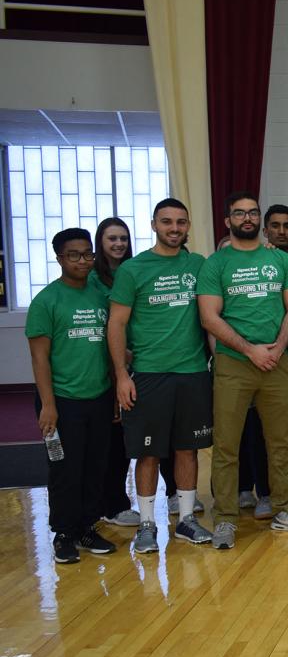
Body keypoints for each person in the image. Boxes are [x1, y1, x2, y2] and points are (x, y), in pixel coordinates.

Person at [198, 192, 288, 549]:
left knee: (279, 442)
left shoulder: (281, 260)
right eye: (239, 213)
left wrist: (278, 349)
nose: (246, 218)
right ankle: (226, 519)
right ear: (227, 221)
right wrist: (250, 350)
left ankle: (283, 508)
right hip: (234, 365)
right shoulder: (216, 264)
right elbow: (209, 316)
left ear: (259, 219)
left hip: (276, 364)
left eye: (252, 213)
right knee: (227, 445)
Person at [107, 198, 214, 551]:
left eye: (181, 222)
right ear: (154, 225)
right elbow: (117, 324)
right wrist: (122, 376)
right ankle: (148, 524)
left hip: (194, 373)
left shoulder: (199, 265)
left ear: (188, 226)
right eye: (167, 222)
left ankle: (185, 519)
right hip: (150, 376)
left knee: (188, 449)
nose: (174, 228)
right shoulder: (133, 270)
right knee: (148, 453)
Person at [26, 227, 116, 563]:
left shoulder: (99, 295)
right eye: (74, 255)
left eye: (87, 254)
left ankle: (87, 528)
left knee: (96, 467)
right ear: (60, 258)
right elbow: (39, 358)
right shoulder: (47, 301)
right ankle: (63, 533)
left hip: (99, 396)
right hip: (62, 401)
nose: (82, 260)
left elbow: (110, 345)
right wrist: (48, 405)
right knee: (65, 469)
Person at [91, 217, 137, 527]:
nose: (118, 244)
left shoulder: (134, 271)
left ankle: (116, 500)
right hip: (104, 368)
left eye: (123, 238)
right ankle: (109, 503)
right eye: (112, 238)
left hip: (136, 366)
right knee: (106, 440)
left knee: (125, 439)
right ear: (100, 242)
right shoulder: (91, 278)